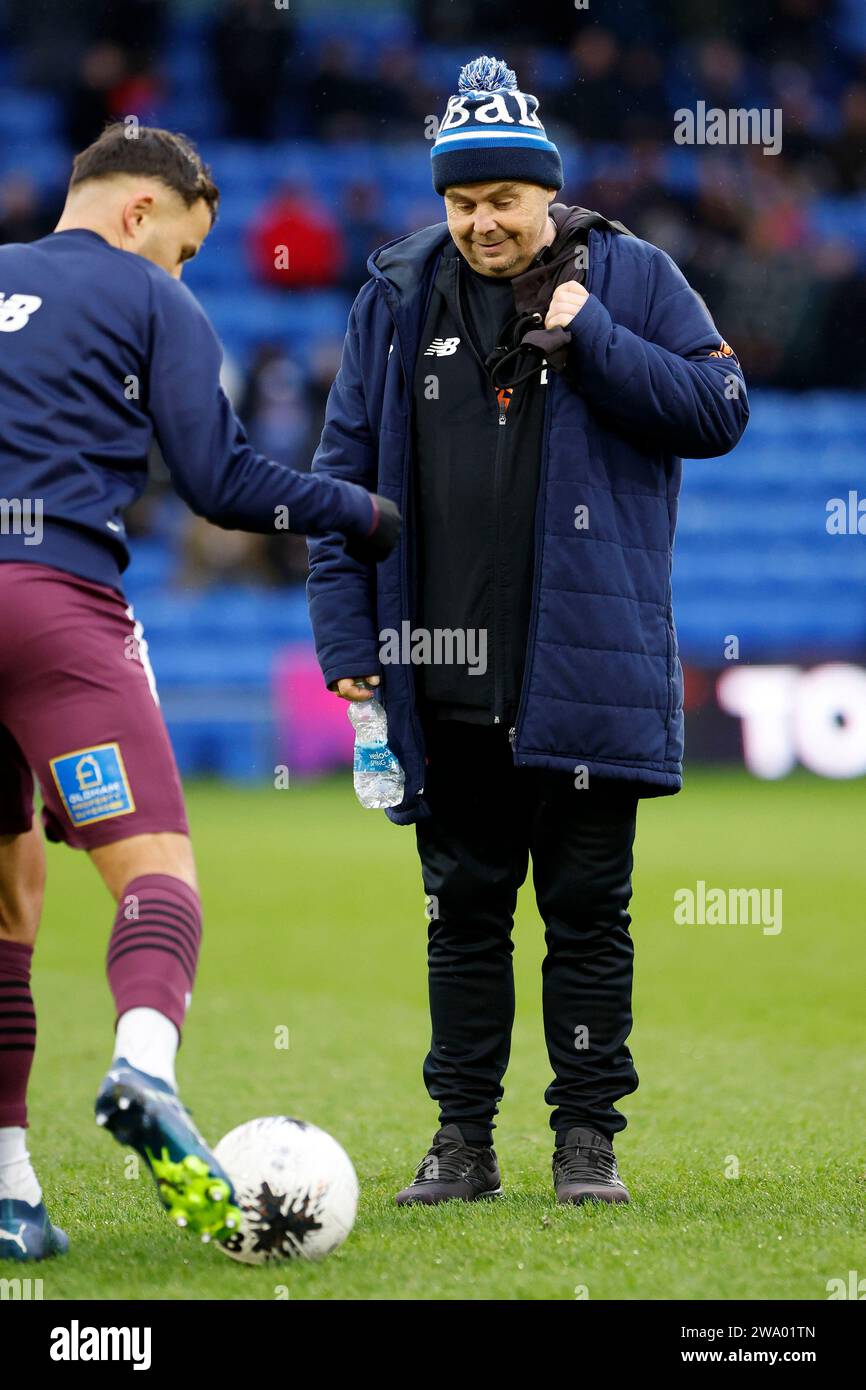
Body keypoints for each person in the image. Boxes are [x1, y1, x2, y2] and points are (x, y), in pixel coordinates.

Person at [307, 56, 748, 1207]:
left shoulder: (635, 276)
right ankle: (461, 1142)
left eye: (500, 201)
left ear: (544, 192)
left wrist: (593, 333)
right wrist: (348, 646)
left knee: (587, 919)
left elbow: (719, 409)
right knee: (460, 919)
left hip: (582, 675)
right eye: (459, 204)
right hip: (441, 680)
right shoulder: (396, 294)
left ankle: (585, 1144)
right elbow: (336, 482)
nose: (479, 225)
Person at [0, 124, 399, 1261]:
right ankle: (143, 1065)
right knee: (158, 874)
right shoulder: (148, 299)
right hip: (52, 611)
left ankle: (11, 1189)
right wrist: (362, 513)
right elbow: (222, 483)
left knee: (8, 908)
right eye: (182, 249)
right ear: (138, 215)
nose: (180, 271)